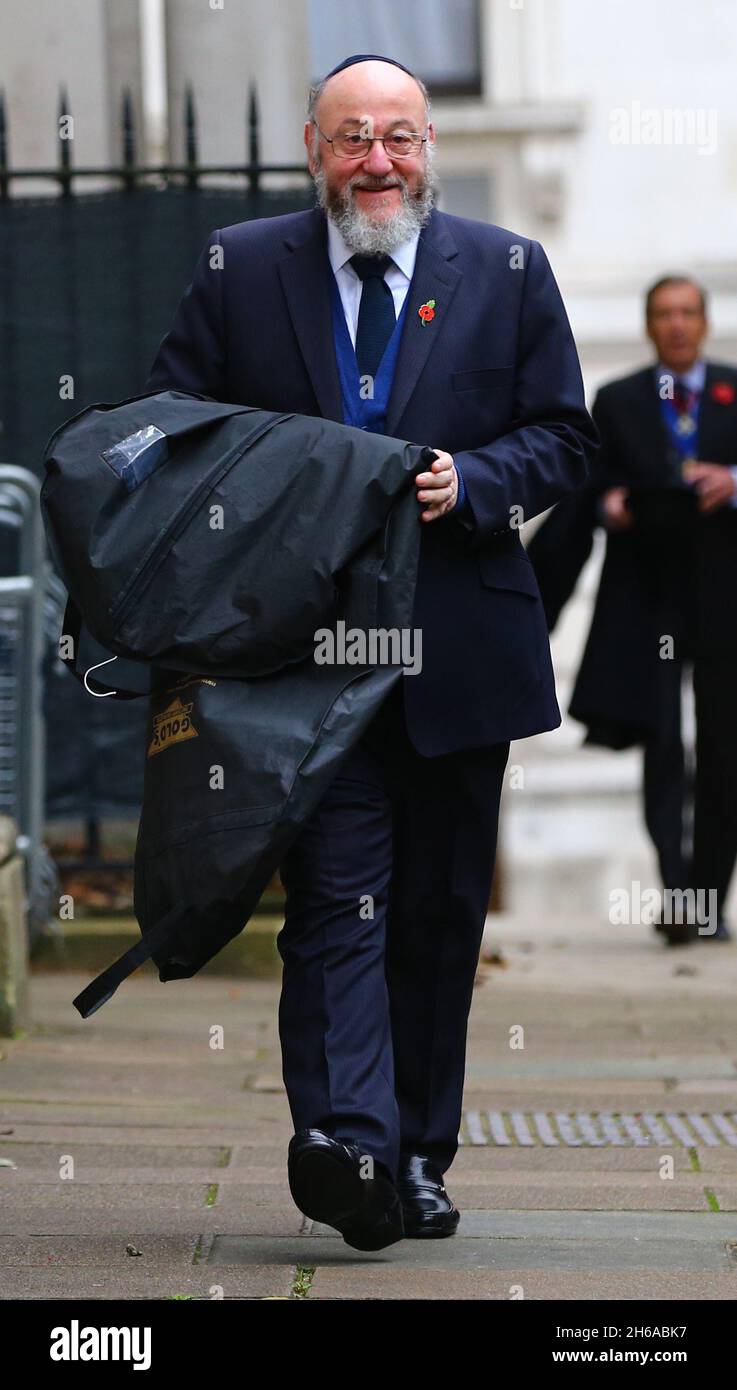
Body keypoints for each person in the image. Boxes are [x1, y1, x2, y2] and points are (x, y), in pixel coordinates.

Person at [146, 53, 597, 1250]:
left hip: (456, 652)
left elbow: (564, 438)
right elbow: (169, 428)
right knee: (334, 904)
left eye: (398, 137)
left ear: (426, 145)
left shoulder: (505, 270)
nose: (378, 162)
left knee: (438, 916)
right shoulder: (243, 268)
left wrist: (479, 478)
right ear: (313, 147)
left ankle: (418, 1152)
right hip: (303, 665)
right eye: (354, 139)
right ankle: (347, 1145)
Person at [528, 276, 737, 947]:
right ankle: (678, 895)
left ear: (703, 322)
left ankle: (711, 898)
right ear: (649, 326)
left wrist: (731, 483)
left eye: (686, 312)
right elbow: (586, 487)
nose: (675, 325)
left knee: (724, 752)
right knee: (663, 748)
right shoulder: (617, 401)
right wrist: (607, 503)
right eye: (662, 315)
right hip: (649, 600)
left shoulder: (735, 389)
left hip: (723, 598)